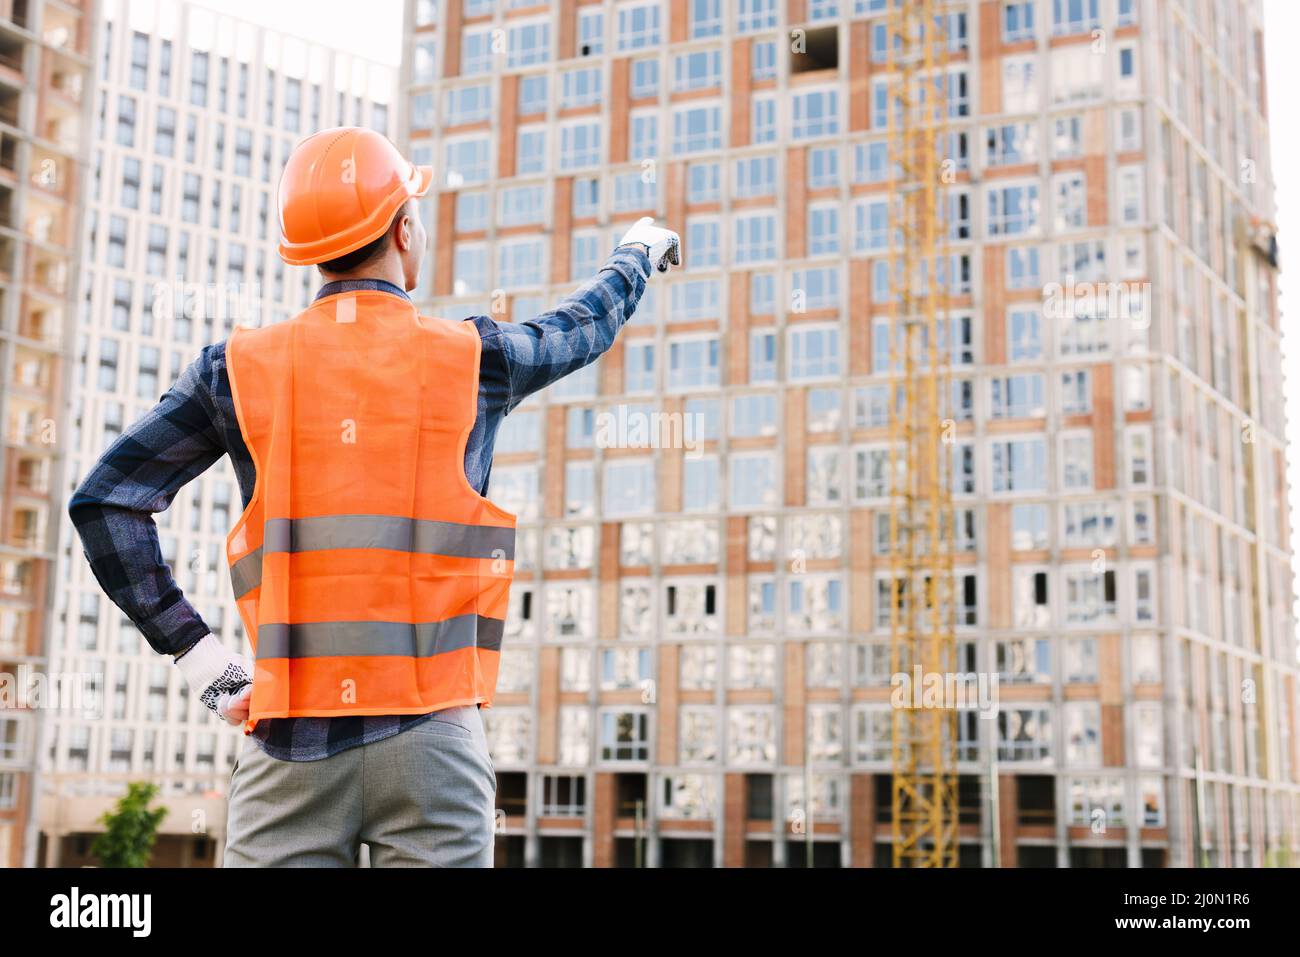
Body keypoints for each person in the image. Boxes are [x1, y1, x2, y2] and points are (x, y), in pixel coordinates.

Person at [69, 126, 680, 867]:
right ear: (403, 229)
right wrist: (636, 256)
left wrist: (202, 661)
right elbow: (576, 330)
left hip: (288, 741)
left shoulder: (237, 369)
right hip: (433, 744)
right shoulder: (471, 357)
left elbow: (106, 501)